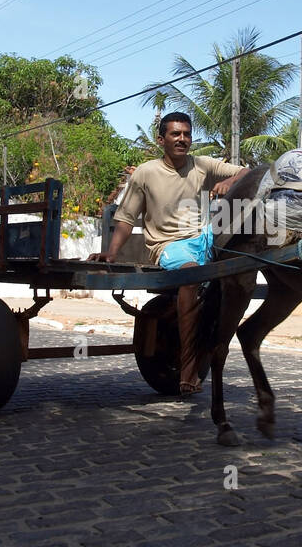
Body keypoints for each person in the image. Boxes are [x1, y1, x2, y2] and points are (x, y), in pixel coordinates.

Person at [89, 111, 248, 394]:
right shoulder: (146, 173)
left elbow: (247, 172)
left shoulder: (201, 165)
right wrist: (111, 252)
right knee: (190, 276)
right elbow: (126, 217)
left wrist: (231, 182)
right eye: (176, 134)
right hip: (168, 247)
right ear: (161, 139)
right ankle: (188, 371)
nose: (182, 139)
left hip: (204, 239)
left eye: (187, 134)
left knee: (247, 242)